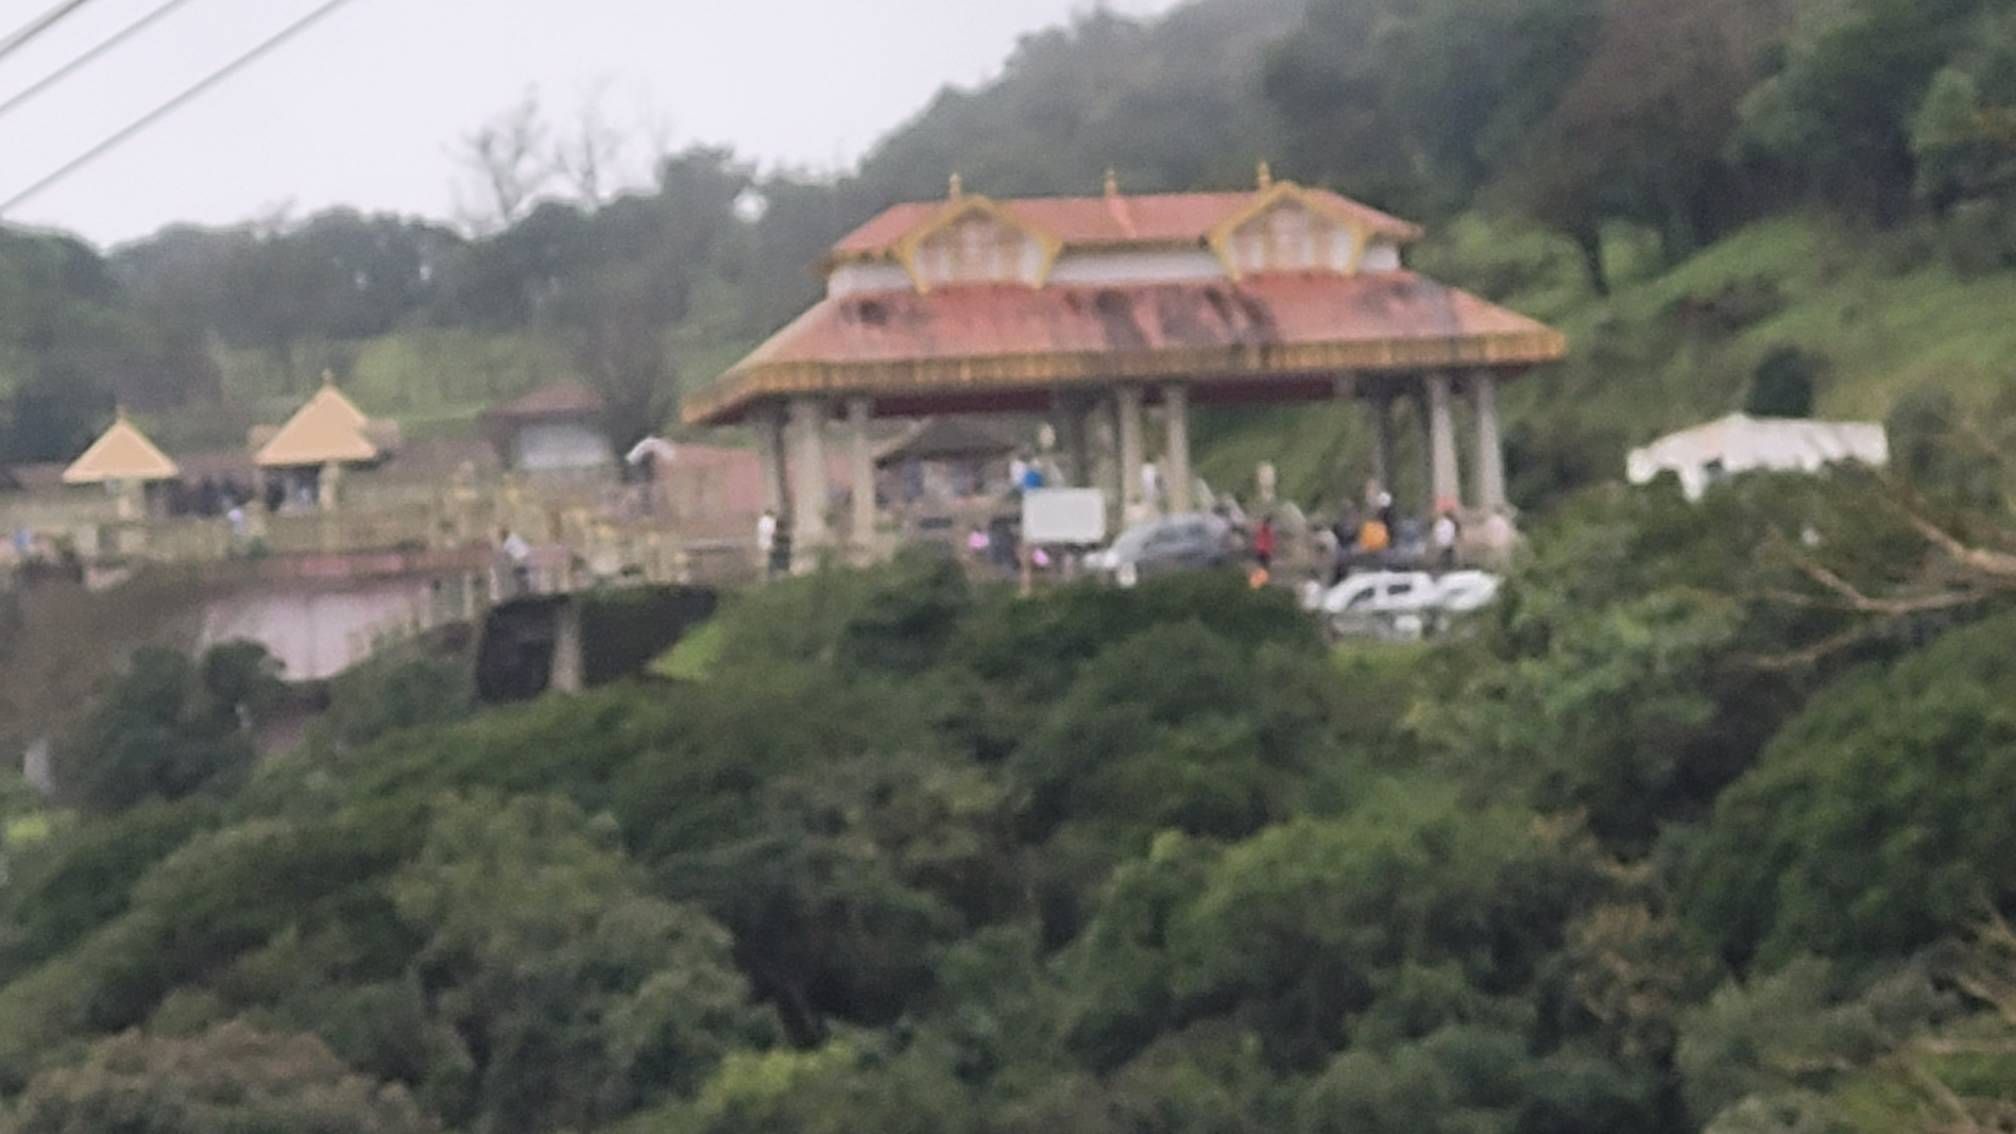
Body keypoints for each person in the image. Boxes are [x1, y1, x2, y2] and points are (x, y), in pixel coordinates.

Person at [1432, 505, 1461, 571]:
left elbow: (1436, 532)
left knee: (1444, 556)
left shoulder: (1440, 522)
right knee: (1449, 556)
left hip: (1441, 543)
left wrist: (1438, 541)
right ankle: (1449, 567)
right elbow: (1452, 534)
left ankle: (1442, 566)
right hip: (1448, 544)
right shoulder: (1450, 523)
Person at [756, 509, 778, 577]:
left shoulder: (761, 520)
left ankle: (768, 572)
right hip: (769, 542)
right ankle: (771, 573)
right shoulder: (771, 521)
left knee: (767, 558)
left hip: (762, 542)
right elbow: (772, 532)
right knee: (771, 558)